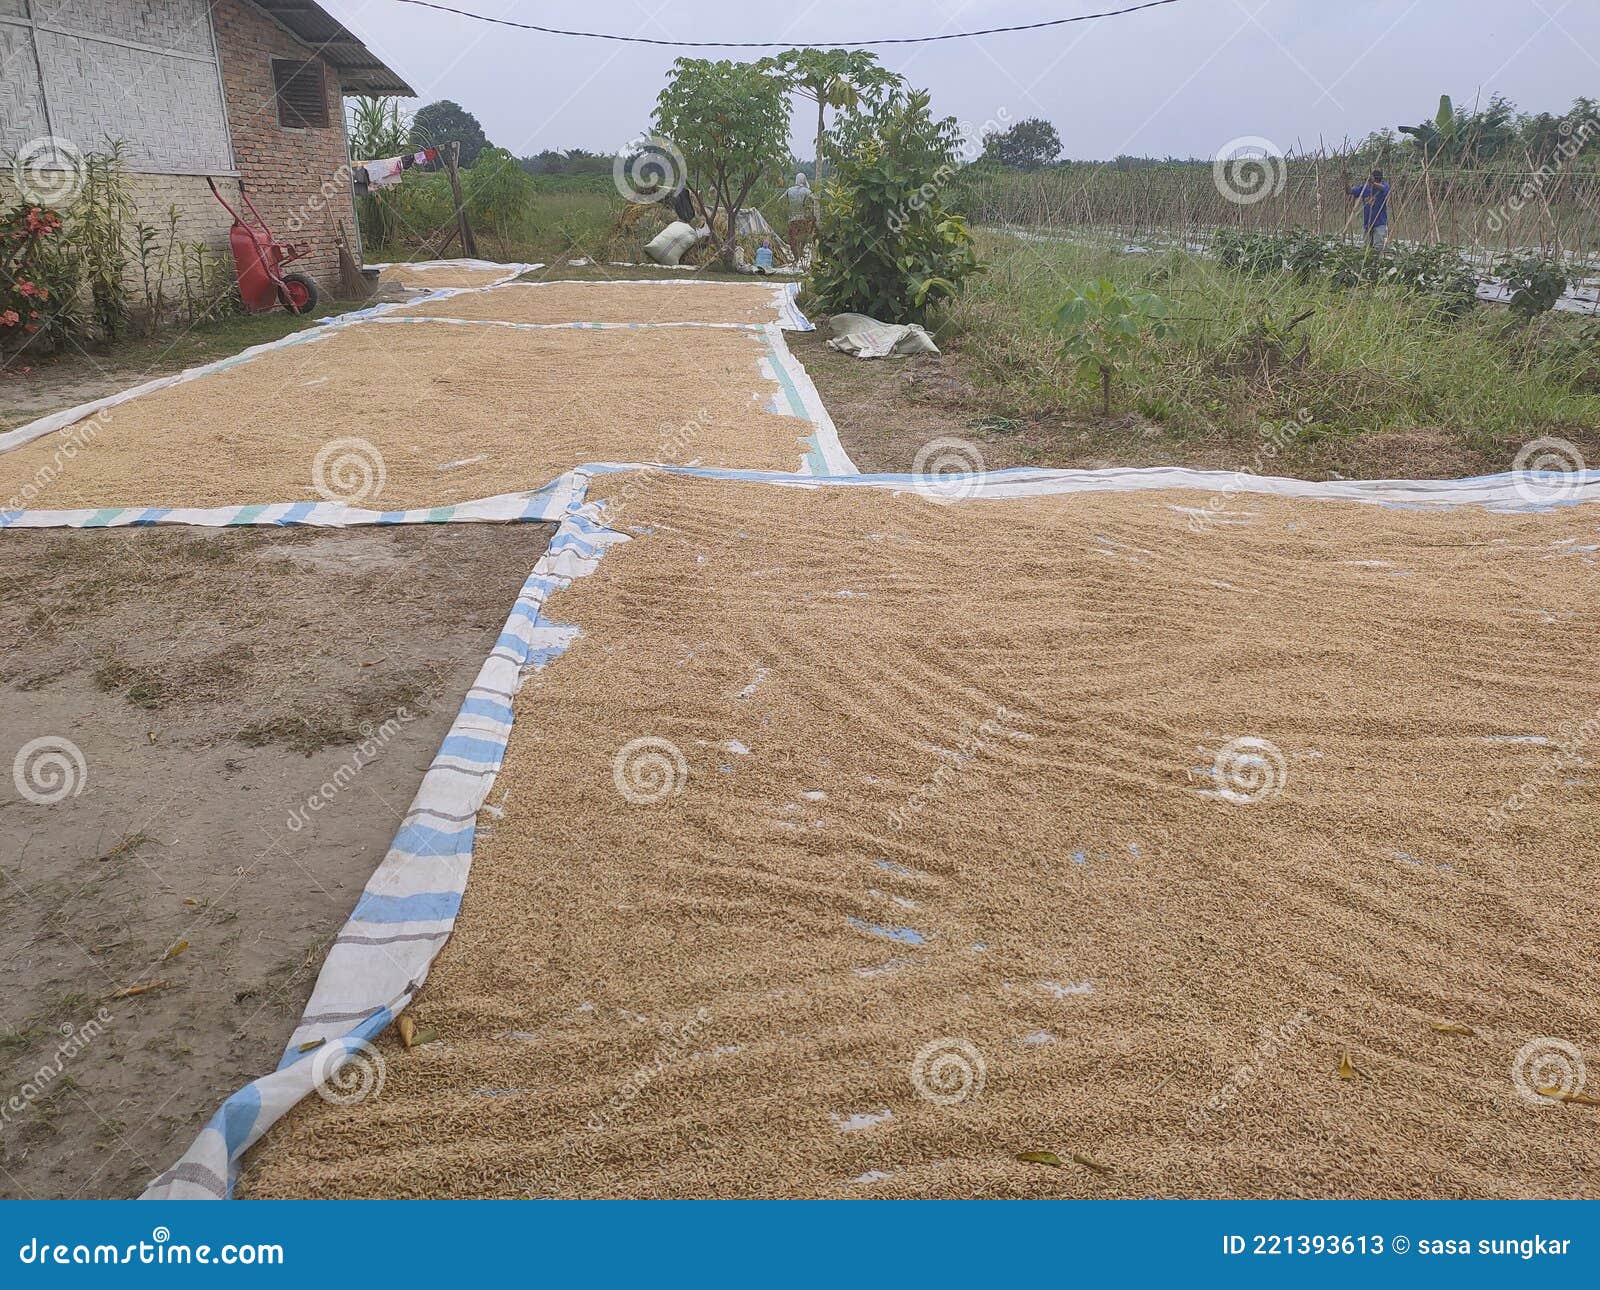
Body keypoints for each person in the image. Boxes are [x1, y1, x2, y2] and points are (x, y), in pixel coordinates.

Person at [1349, 168, 1391, 252]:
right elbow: (1350, 191)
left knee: (1378, 248)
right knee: (1366, 248)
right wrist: (1345, 182)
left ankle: (1377, 264)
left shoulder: (1384, 186)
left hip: (1380, 223)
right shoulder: (1364, 188)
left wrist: (1373, 183)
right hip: (1367, 224)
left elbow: (1383, 189)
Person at [784, 171, 819, 260]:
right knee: (803, 237)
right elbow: (815, 200)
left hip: (792, 219)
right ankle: (800, 254)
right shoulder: (806, 191)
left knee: (793, 240)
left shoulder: (789, 190)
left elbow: (780, 200)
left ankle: (797, 258)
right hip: (803, 219)